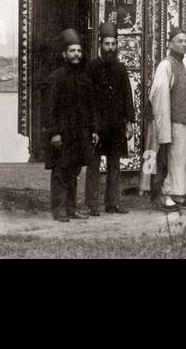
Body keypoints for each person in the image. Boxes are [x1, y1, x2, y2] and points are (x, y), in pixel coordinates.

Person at [142, 27, 186, 211]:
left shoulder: (180, 63)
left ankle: (178, 194)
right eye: (180, 41)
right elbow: (160, 96)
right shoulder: (166, 65)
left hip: (185, 121)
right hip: (173, 122)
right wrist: (164, 128)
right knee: (171, 161)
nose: (184, 44)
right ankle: (166, 195)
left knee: (182, 161)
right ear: (170, 43)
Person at [86, 22, 136, 215]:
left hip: (116, 125)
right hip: (98, 126)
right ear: (100, 44)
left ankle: (112, 203)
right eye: (107, 44)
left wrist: (129, 122)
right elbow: (87, 99)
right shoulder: (91, 68)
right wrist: (91, 126)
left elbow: (127, 96)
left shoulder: (121, 69)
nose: (110, 48)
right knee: (94, 165)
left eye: (113, 44)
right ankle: (92, 205)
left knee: (114, 165)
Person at [44, 29, 92, 221]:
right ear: (64, 54)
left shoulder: (83, 77)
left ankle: (71, 208)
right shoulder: (55, 77)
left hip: (78, 133)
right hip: (61, 134)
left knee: (74, 170)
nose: (76, 55)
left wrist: (92, 130)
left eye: (79, 51)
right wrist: (54, 133)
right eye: (72, 51)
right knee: (60, 171)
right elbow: (49, 108)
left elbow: (88, 107)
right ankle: (59, 209)